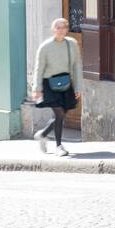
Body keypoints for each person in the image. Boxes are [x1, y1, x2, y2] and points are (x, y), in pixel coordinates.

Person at [31, 19, 81, 157]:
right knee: (59, 114)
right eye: (58, 27)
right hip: (49, 83)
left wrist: (78, 87)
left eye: (64, 27)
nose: (61, 30)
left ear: (67, 29)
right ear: (53, 29)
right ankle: (59, 146)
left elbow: (77, 66)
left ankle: (43, 134)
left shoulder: (72, 44)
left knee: (61, 115)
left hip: (66, 82)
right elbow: (38, 68)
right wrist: (36, 88)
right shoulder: (45, 47)